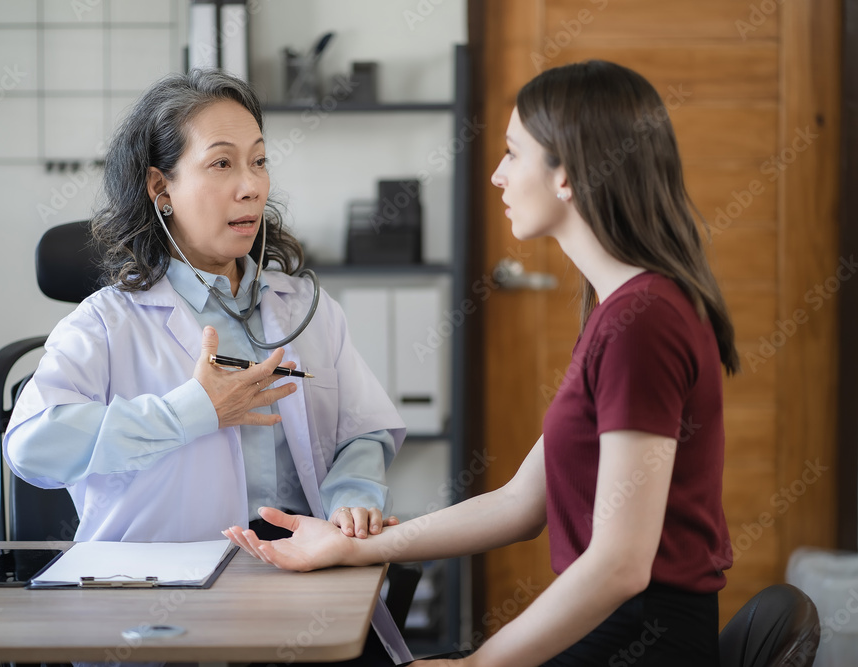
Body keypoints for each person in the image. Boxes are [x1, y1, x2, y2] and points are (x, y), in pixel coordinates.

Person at [224, 60, 740, 667]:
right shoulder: (621, 313)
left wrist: (478, 666)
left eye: (514, 153)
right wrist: (355, 547)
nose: (496, 175)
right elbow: (520, 505)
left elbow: (619, 567)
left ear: (568, 175)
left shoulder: (643, 324)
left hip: (640, 638)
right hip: (620, 628)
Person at [3, 69, 411, 664]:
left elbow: (364, 427)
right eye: (221, 164)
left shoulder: (303, 308)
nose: (251, 187)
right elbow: (32, 447)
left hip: (301, 582)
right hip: (157, 603)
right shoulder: (107, 323)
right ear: (160, 187)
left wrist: (353, 492)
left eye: (260, 161)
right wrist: (193, 411)